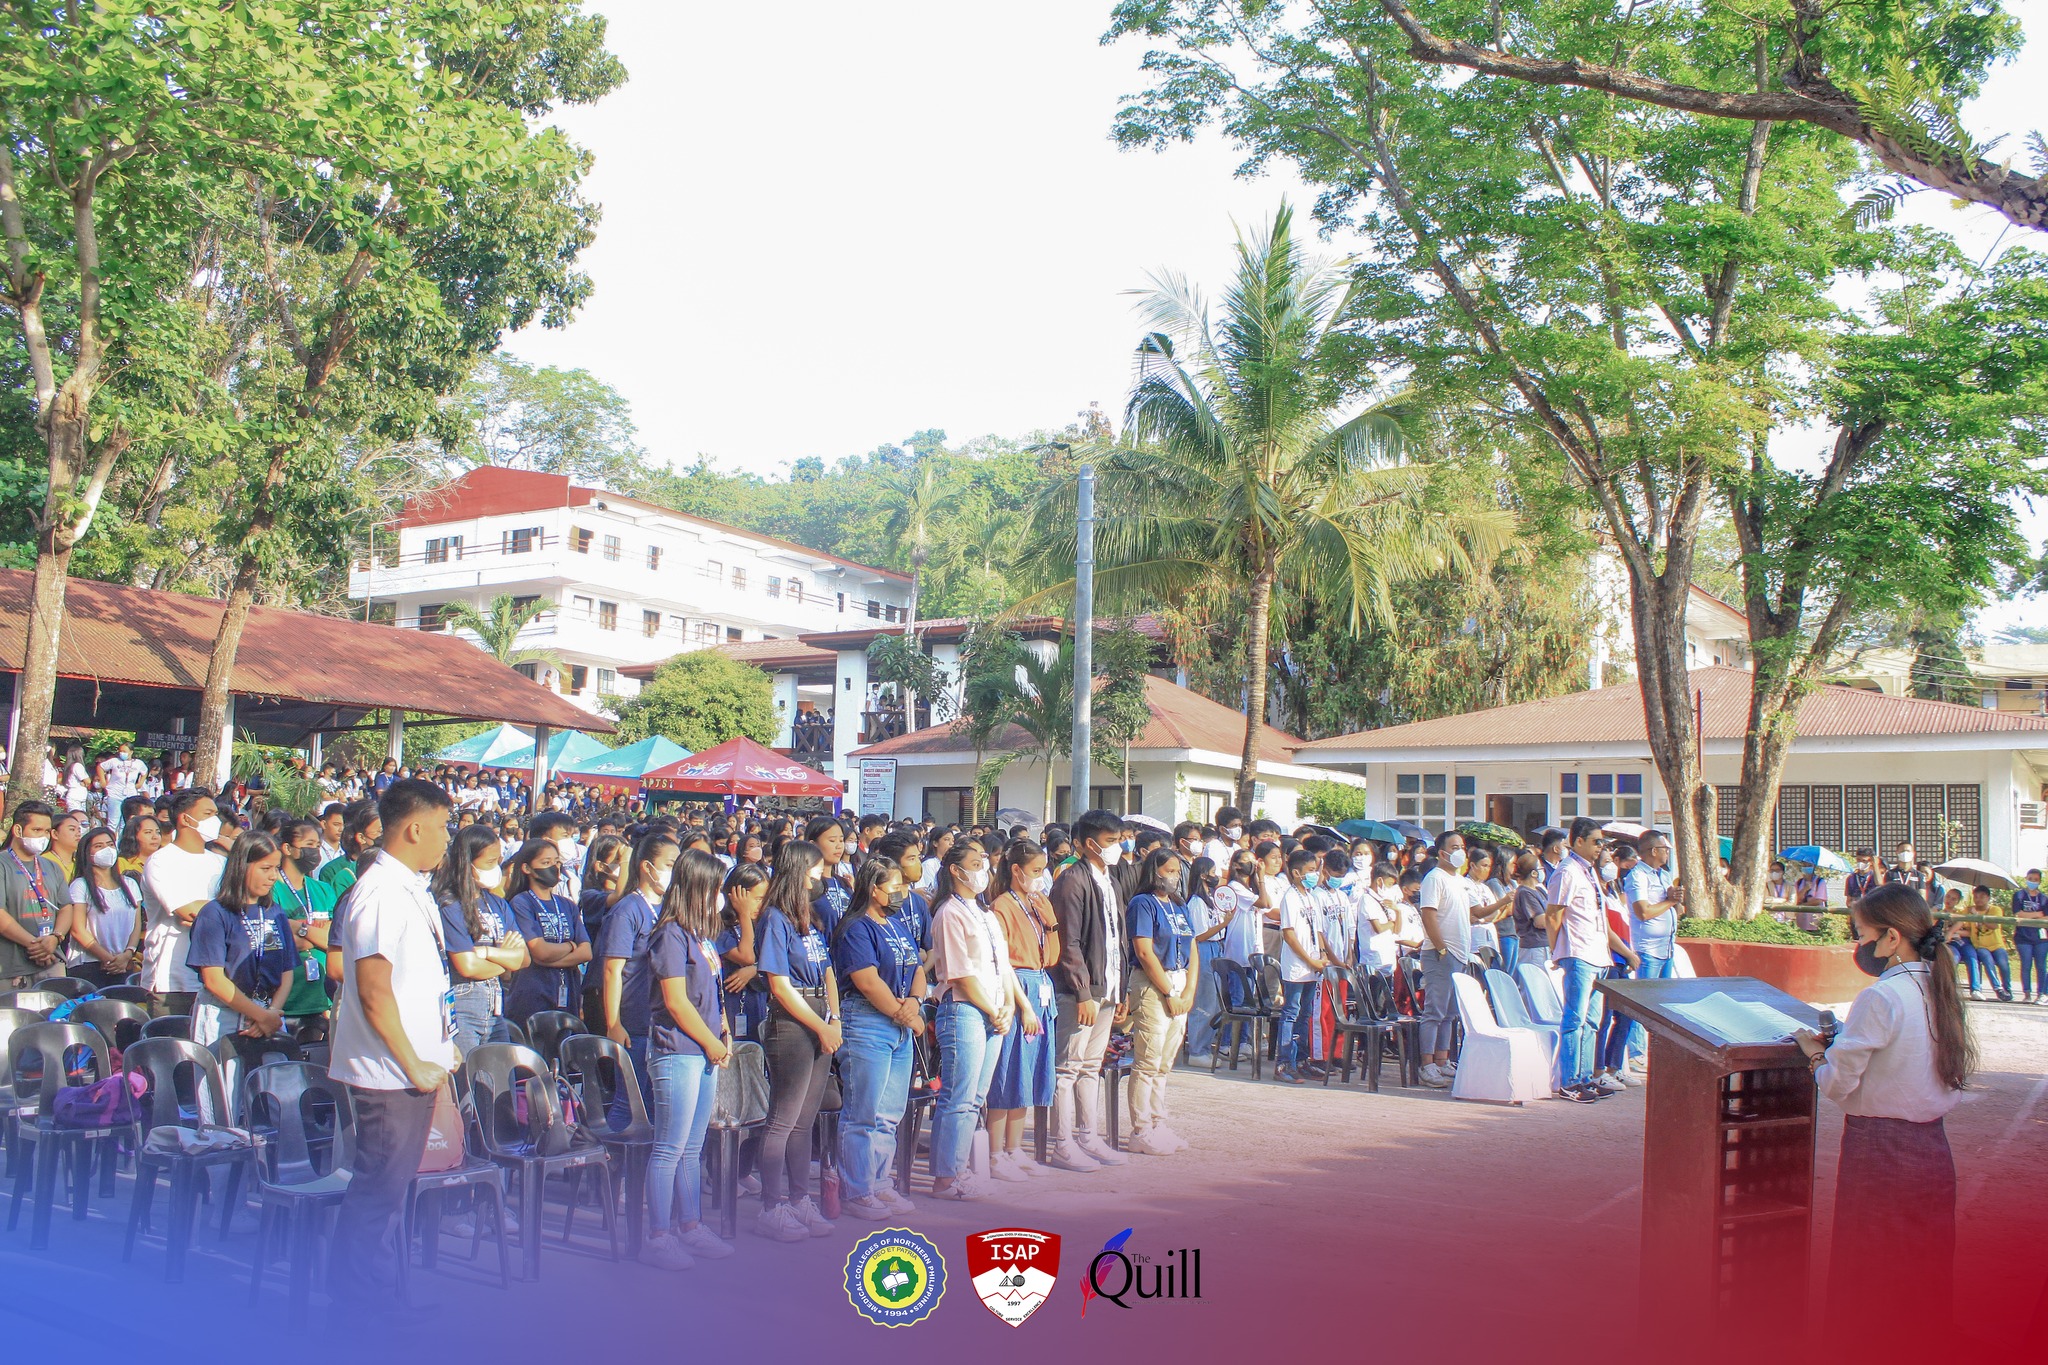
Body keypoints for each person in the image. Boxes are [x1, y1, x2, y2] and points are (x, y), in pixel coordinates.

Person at [1794, 884, 1973, 1362]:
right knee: (1924, 1259)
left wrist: (1815, 1055)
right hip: (1932, 1146)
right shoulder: (1938, 985)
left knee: (1870, 1262)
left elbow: (1838, 1084)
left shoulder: (1882, 995)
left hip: (1880, 1145)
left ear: (1892, 938)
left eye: (1864, 934)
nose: (1862, 944)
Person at [326, 779, 457, 1317]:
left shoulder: (409, 888)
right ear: (416, 827)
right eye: (445, 827)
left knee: (390, 1192)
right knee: (377, 1194)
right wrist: (414, 1063)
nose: (448, 839)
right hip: (390, 1073)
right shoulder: (379, 893)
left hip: (414, 1068)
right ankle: (359, 1310)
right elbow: (375, 994)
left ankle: (378, 1299)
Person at [640, 848, 738, 1270]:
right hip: (677, 1050)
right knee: (669, 1148)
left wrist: (724, 1033)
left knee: (692, 1148)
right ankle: (658, 1235)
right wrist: (710, 1041)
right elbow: (676, 1002)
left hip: (703, 1050)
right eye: (715, 887)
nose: (720, 896)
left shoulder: (702, 934)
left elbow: (711, 993)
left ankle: (691, 1225)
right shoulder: (671, 934)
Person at [927, 839, 1034, 1200]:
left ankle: (957, 1170)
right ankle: (946, 1177)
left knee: (975, 1098)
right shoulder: (949, 913)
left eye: (985, 862)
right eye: (974, 864)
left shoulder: (986, 913)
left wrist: (1007, 1005)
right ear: (956, 871)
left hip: (992, 1011)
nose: (983, 870)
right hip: (964, 1010)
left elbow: (1002, 965)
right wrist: (992, 1008)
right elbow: (961, 974)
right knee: (957, 1097)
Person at [831, 854, 928, 1218]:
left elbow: (917, 966)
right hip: (868, 1022)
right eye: (894, 885)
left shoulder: (897, 922)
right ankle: (857, 1189)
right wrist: (904, 1013)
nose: (901, 892)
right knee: (863, 1111)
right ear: (874, 889)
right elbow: (867, 981)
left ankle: (879, 1181)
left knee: (889, 1112)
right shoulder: (856, 927)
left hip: (901, 1022)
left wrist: (914, 1004)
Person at [753, 840, 839, 1239]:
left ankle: (800, 1199)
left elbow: (828, 974)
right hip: (791, 1023)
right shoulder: (774, 918)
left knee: (805, 1123)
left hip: (821, 1014)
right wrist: (821, 1027)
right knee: (783, 1120)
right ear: (800, 871)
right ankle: (773, 1205)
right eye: (816, 869)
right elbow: (780, 987)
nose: (821, 876)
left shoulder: (811, 917)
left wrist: (833, 1019)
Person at [1047, 809, 1131, 1173]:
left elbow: (1117, 940)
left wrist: (1121, 991)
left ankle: (1087, 1137)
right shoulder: (1072, 881)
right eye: (1110, 842)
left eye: (1118, 840)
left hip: (1108, 988)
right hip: (1080, 991)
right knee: (1067, 1068)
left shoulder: (1110, 880)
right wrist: (1082, 991)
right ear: (1086, 843)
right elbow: (1069, 941)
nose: (1116, 848)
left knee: (1091, 1067)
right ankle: (1062, 1144)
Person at [185, 831, 297, 1058]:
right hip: (224, 1014)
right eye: (265, 869)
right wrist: (259, 1014)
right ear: (242, 867)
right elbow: (214, 979)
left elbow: (287, 972)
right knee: (226, 1088)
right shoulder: (215, 914)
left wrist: (270, 1014)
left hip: (268, 1016)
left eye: (276, 869)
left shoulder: (274, 913)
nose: (273, 876)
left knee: (273, 1086)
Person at [985, 839, 1059, 1177]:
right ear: (1017, 871)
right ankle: (995, 1153)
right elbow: (1003, 963)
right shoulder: (1002, 905)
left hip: (1041, 982)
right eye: (1036, 871)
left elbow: (1052, 955)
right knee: (1008, 1072)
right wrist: (1023, 1005)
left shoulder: (1038, 903)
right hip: (1018, 988)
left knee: (1030, 1072)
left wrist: (1051, 922)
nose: (1041, 878)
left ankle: (1015, 1149)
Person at [432, 825, 527, 1056]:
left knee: (501, 1080)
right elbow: (467, 966)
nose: (496, 869)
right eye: (489, 862)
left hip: (494, 1006)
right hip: (463, 1005)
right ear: (468, 863)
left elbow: (523, 959)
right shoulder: (450, 904)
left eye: (498, 861)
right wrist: (505, 959)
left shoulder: (497, 903)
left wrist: (485, 953)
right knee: (467, 1084)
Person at [1125, 846, 1197, 1151]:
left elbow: (1192, 948)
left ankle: (1158, 1122)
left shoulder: (1180, 905)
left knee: (1165, 1062)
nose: (1174, 877)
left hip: (1179, 981)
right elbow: (1144, 951)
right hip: (1154, 984)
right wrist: (1168, 991)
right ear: (1154, 871)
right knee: (1148, 1060)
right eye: (1169, 871)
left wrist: (1189, 991)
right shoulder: (1143, 904)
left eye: (1177, 872)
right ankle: (1141, 1130)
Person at [600, 833, 679, 1099]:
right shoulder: (627, 910)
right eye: (669, 865)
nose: (674, 872)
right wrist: (614, 1023)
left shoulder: (669, 908)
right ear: (647, 867)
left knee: (658, 1103)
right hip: (634, 1021)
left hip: (661, 1021)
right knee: (630, 1103)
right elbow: (612, 971)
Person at [140, 789, 227, 1016]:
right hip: (173, 978)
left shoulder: (219, 862)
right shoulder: (161, 861)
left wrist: (210, 911)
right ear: (185, 818)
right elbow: (187, 912)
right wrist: (221, 911)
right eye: (208, 813)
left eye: (216, 813)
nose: (215, 820)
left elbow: (234, 909)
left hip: (216, 975)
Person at [1547, 818, 1613, 1104]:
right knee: (1574, 1019)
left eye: (1602, 842)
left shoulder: (1589, 872)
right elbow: (1553, 915)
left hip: (1597, 955)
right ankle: (1569, 1081)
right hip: (1578, 954)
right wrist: (1557, 952)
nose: (1601, 847)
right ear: (1578, 842)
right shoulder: (1567, 872)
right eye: (1596, 841)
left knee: (1593, 1021)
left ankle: (1585, 1076)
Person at [502, 836, 592, 1027]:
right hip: (531, 996)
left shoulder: (567, 905)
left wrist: (547, 959)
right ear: (527, 868)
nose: (554, 867)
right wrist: (570, 946)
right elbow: (539, 950)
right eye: (546, 862)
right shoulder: (521, 902)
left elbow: (586, 952)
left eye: (556, 862)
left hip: (567, 995)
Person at [271, 817, 339, 1037]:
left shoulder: (323, 889)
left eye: (318, 846)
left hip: (320, 998)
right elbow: (281, 942)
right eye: (309, 845)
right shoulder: (272, 889)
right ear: (288, 848)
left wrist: (300, 928)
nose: (315, 851)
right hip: (285, 998)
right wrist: (316, 932)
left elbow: (333, 940)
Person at [1622, 830, 1682, 1071]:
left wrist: (1675, 901)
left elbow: (1675, 908)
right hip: (1648, 950)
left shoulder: (1664, 875)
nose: (1668, 852)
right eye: (1664, 848)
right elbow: (1643, 912)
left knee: (1662, 1003)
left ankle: (1658, 1049)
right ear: (1653, 850)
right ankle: (1636, 1052)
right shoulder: (1637, 877)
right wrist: (1669, 901)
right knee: (1643, 1003)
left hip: (1666, 948)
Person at [1271, 848, 1331, 1085]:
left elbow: (1317, 929)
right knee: (1291, 1013)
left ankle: (1302, 1060)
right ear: (1296, 873)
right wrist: (1310, 960)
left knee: (1305, 1014)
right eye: (1310, 871)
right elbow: (1289, 934)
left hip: (1313, 965)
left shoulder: (1310, 896)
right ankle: (1284, 1062)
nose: (1314, 875)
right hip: (1297, 966)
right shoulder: (1290, 897)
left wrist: (1323, 955)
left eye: (1315, 871)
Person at [0, 801, 69, 989]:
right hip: (12, 968)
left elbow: (66, 907)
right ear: (18, 830)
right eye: (37, 830)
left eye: (47, 831)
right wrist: (36, 945)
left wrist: (55, 938)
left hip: (52, 962)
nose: (43, 837)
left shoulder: (51, 866)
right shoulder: (2, 864)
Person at [66, 825, 141, 987]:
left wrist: (128, 954)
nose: (106, 849)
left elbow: (136, 925)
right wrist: (108, 958)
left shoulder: (130, 884)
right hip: (89, 965)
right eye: (99, 846)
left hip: (123, 964)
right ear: (88, 853)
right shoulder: (80, 885)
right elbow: (77, 929)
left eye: (110, 844)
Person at [1965, 883, 2013, 1003]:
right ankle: (1998, 988)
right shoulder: (1969, 910)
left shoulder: (1995, 910)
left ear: (1988, 898)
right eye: (1976, 896)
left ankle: (2008, 989)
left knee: (2003, 963)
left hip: (1996, 944)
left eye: (1982, 896)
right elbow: (1964, 926)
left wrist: (1977, 917)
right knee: (1987, 960)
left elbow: (1994, 925)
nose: (1978, 899)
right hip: (1980, 945)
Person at [2013, 869, 2047, 1005]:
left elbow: (2046, 916)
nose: (2032, 881)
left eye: (2035, 879)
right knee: (2026, 964)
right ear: (2026, 878)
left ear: (2039, 881)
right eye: (2030, 878)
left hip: (2041, 937)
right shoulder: (2019, 895)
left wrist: (2034, 915)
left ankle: (2042, 993)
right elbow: (2018, 914)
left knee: (2041, 965)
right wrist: (2037, 914)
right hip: (2023, 936)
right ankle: (2027, 993)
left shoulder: (2044, 898)